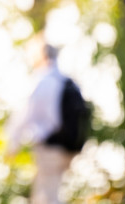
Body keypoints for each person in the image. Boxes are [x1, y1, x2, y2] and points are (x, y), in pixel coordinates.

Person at [7, 43, 82, 204]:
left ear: (42, 55)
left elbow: (26, 114)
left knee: (46, 196)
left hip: (50, 146)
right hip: (69, 146)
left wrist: (13, 143)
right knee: (52, 192)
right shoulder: (66, 81)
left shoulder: (43, 80)